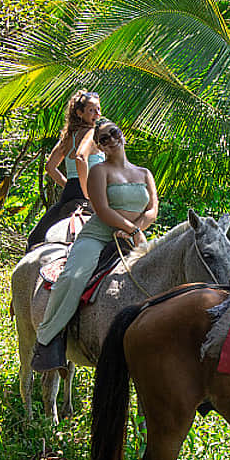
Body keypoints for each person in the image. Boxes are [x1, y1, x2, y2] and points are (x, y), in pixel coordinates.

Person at [31, 119, 158, 371]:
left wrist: (138, 228)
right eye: (103, 139)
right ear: (99, 146)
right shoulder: (100, 171)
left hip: (133, 235)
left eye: (114, 133)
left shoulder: (144, 173)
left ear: (122, 135)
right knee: (73, 276)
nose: (111, 140)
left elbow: (153, 208)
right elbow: (101, 208)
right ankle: (47, 340)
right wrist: (130, 229)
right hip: (99, 235)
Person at [25, 91, 105, 251]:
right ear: (79, 113)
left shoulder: (68, 137)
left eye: (98, 109)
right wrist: (88, 192)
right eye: (91, 110)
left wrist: (68, 184)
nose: (97, 114)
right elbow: (81, 157)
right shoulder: (92, 133)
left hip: (68, 195)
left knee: (34, 239)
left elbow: (50, 167)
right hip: (92, 193)